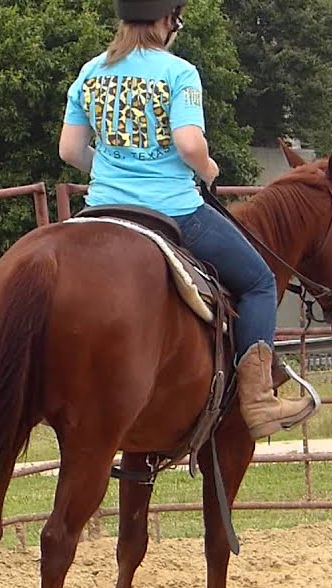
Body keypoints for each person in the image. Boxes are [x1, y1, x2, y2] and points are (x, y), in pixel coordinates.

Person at [58, 0, 318, 440]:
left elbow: (69, 150)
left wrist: (114, 170)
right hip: (173, 210)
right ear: (166, 21)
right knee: (256, 279)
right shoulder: (178, 73)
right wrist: (208, 168)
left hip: (102, 209)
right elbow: (188, 143)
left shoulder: (91, 72)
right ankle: (257, 401)